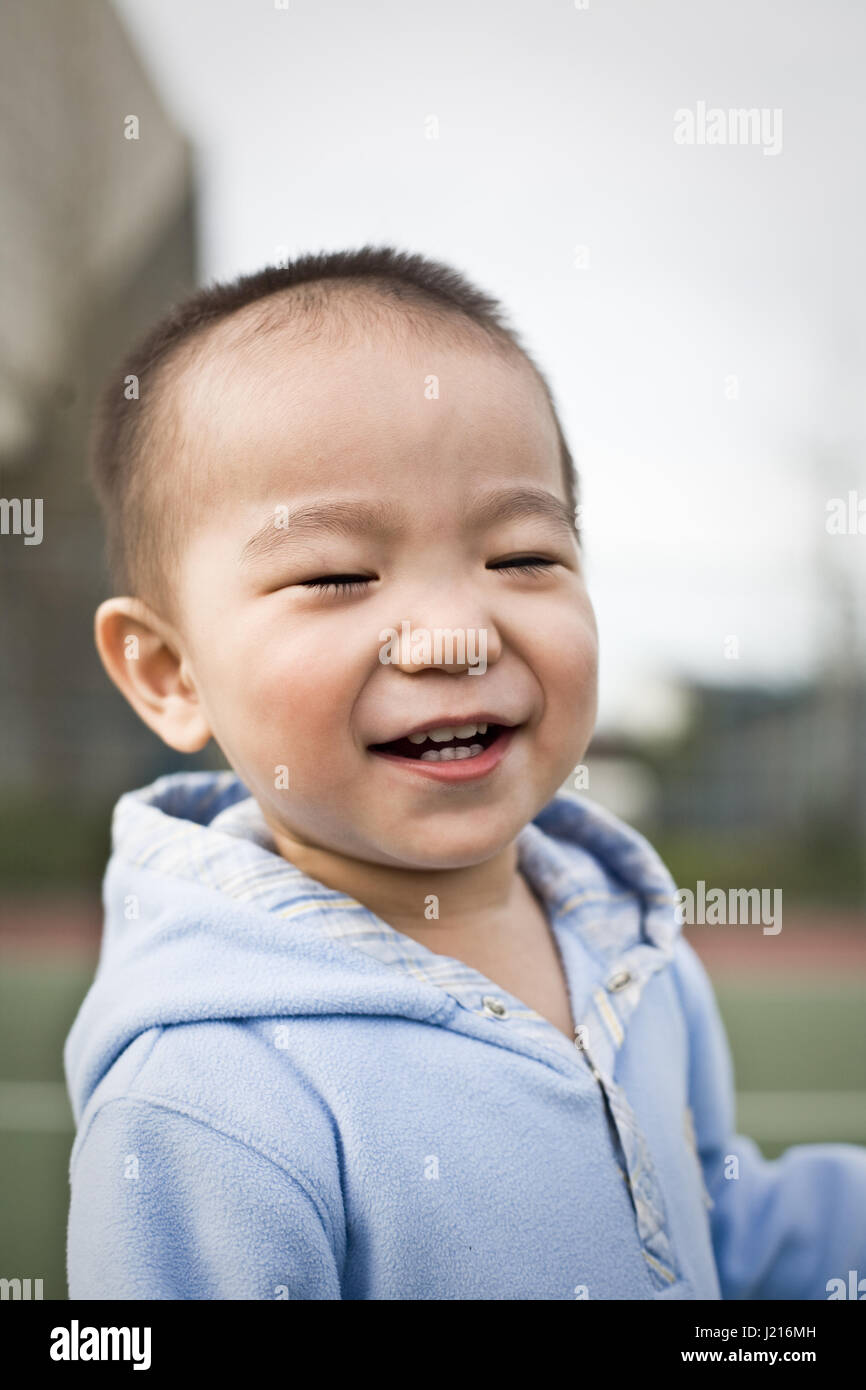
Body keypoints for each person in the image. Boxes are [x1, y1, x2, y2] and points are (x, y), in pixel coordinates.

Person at [64, 246, 866, 1299]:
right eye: (338, 574)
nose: (450, 636)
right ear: (171, 672)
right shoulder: (210, 1093)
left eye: (520, 557)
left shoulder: (626, 941)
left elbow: (712, 1237)